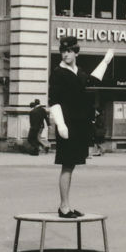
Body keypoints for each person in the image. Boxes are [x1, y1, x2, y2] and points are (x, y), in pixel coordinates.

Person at [49, 36, 95, 218]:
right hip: (67, 124)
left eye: (69, 51)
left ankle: (66, 204)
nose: (65, 54)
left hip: (78, 124)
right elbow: (54, 101)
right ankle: (63, 206)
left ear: (76, 52)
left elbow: (91, 81)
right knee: (67, 165)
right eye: (63, 51)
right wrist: (60, 124)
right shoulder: (58, 73)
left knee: (72, 165)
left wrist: (106, 62)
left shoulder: (79, 72)